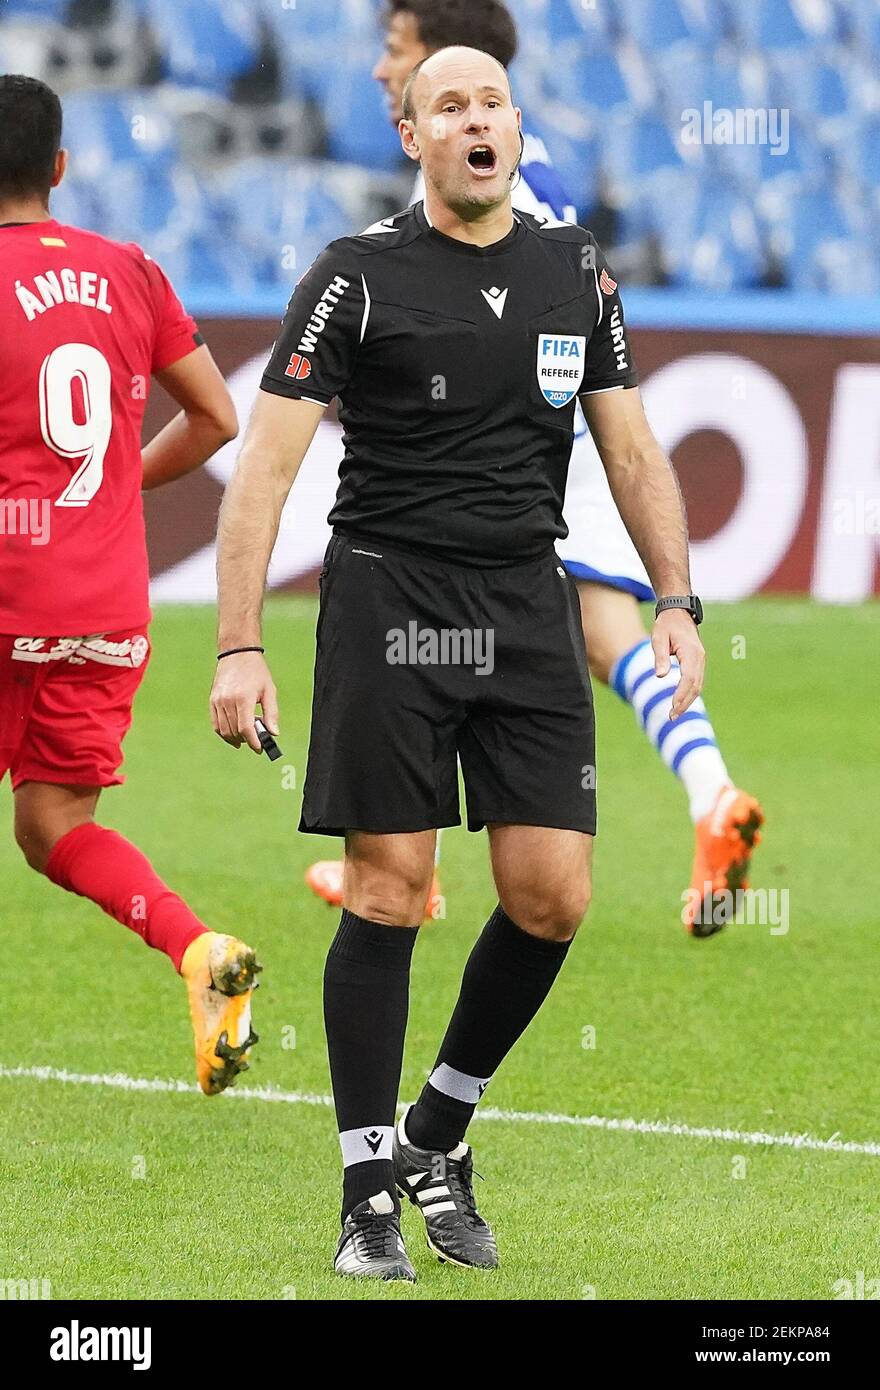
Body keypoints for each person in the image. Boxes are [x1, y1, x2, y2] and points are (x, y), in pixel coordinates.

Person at [211, 45, 705, 1281]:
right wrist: (236, 644)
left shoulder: (575, 271)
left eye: (491, 103)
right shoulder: (354, 280)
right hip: (388, 598)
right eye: (449, 107)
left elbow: (634, 454)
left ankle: (438, 1129)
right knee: (387, 891)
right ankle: (367, 1189)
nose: (474, 122)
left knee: (553, 896)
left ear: (517, 130)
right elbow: (262, 475)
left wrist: (677, 600)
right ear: (411, 136)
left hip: (526, 602)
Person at [306, 0, 763, 936]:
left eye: (394, 48)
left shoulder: (473, 186)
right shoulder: (535, 162)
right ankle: (710, 794)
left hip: (531, 440)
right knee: (598, 630)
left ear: (434, 57)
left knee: (536, 633)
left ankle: (411, 858)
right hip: (564, 425)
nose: (380, 66)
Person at [0, 75, 261, 1095]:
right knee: (55, 826)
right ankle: (201, 953)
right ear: (60, 168)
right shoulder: (130, 271)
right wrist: (112, 486)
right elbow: (215, 419)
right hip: (99, 604)